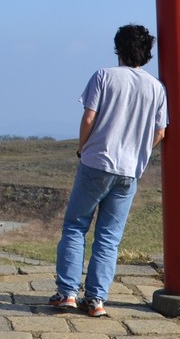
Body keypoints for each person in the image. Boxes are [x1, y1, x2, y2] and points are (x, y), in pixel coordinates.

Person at [50, 24, 168, 318]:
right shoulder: (156, 87)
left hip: (96, 162)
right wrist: (140, 152)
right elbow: (161, 132)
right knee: (108, 237)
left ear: (118, 49)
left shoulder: (104, 76)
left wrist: (82, 147)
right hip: (130, 170)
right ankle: (96, 299)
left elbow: (89, 117)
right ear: (147, 53)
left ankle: (67, 294)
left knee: (76, 226)